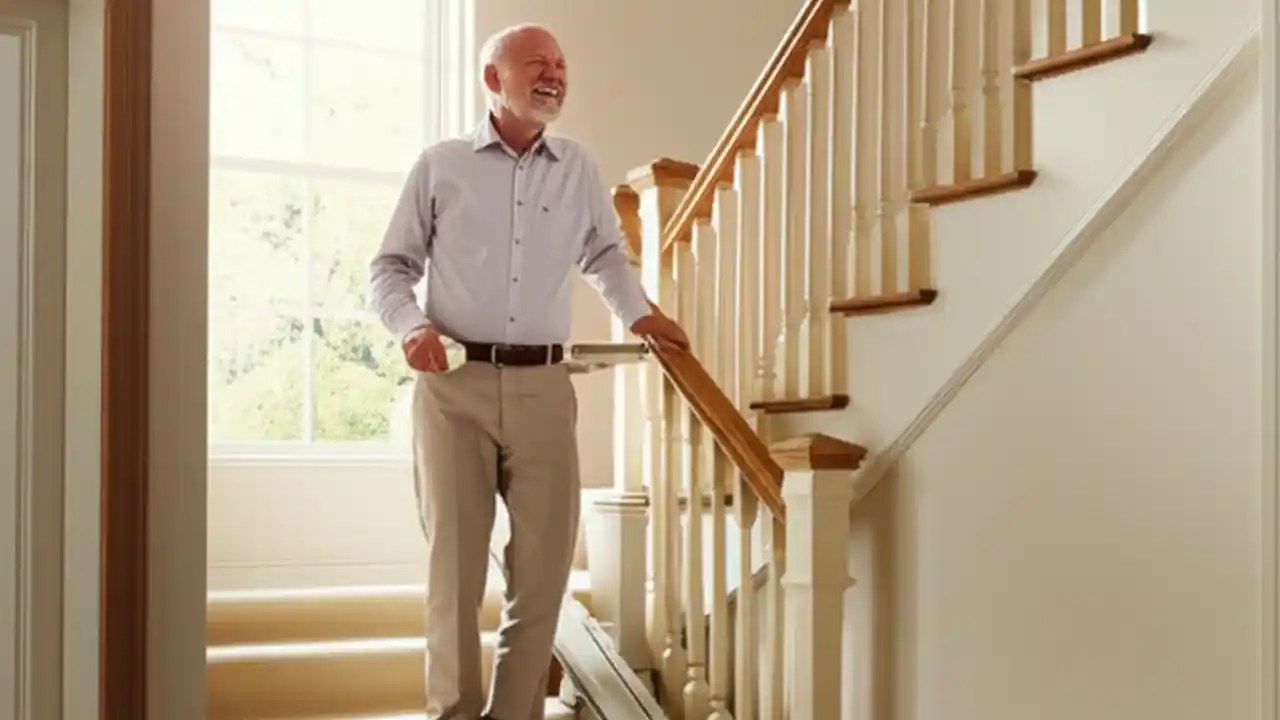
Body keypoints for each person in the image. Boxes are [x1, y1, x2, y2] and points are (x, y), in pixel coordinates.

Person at [369, 23, 689, 720]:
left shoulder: (577, 167)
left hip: (546, 388)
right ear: (493, 79)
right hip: (455, 386)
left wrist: (640, 316)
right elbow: (389, 269)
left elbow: (605, 256)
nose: (554, 74)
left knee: (542, 579)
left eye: (561, 64)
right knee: (453, 573)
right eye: (537, 62)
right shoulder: (440, 165)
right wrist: (410, 325)